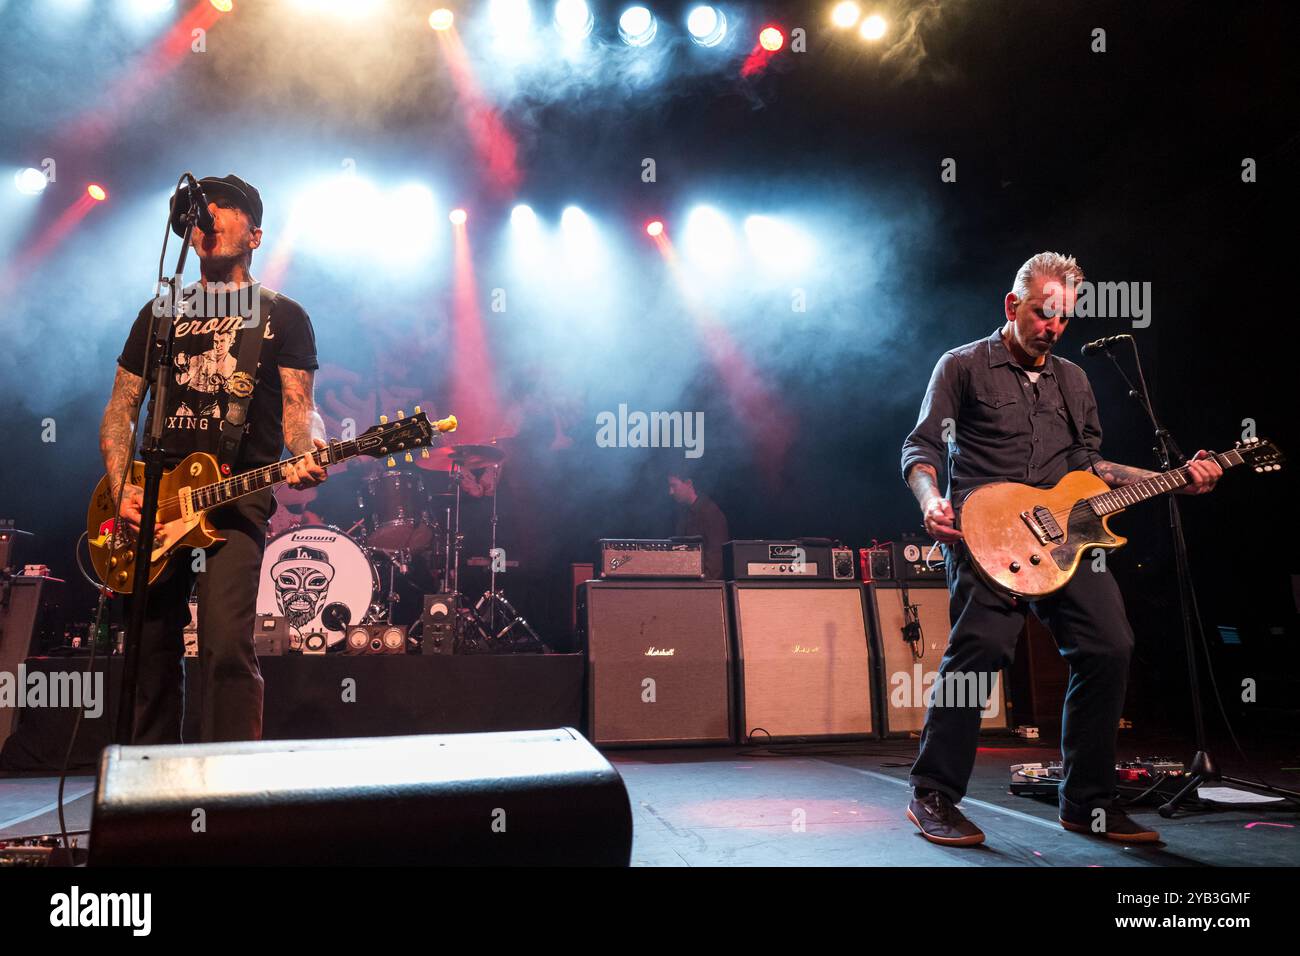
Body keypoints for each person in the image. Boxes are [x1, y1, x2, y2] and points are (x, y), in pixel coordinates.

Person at [900, 251, 1221, 846]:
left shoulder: (1073, 378)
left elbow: (1087, 464)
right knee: (981, 654)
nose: (1053, 328)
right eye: (1044, 315)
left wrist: (1174, 474)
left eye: (1064, 319)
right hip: (988, 535)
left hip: (1067, 536)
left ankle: (1087, 805)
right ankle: (934, 795)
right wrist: (929, 500)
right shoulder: (962, 366)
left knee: (1110, 645)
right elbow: (918, 450)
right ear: (1013, 306)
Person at [99, 173, 327, 744]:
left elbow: (300, 412)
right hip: (152, 504)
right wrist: (122, 483)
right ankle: (148, 791)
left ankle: (233, 794)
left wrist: (307, 452)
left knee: (226, 648)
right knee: (147, 656)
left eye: (225, 209)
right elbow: (120, 409)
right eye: (201, 210)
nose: (209, 217)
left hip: (234, 501)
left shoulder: (282, 315)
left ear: (254, 235)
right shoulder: (161, 311)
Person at [667, 468, 729, 580]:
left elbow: (716, 559)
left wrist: (703, 587)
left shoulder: (710, 513)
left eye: (674, 486)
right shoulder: (683, 514)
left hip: (705, 588)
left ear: (688, 483)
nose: (670, 492)